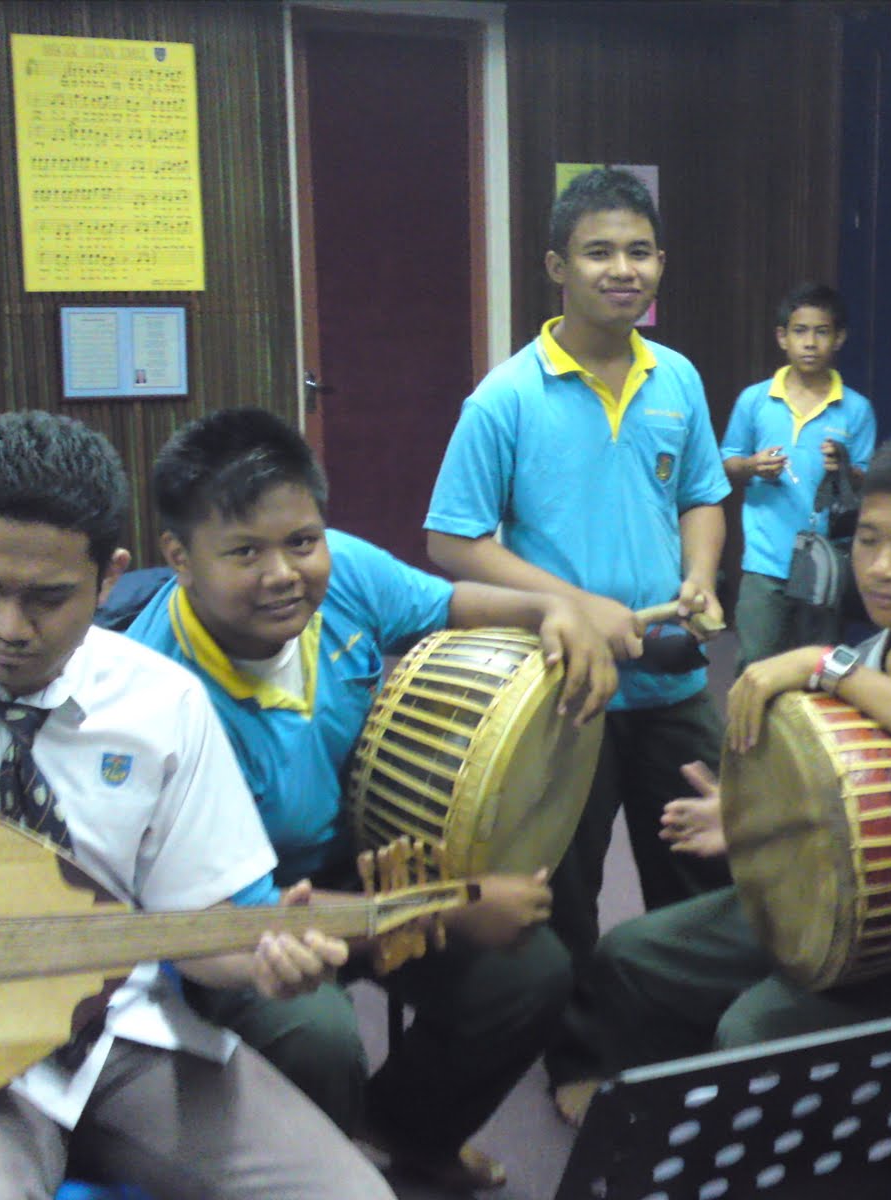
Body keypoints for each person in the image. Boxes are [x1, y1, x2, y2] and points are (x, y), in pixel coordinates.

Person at [0, 411, 392, 1200]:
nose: (9, 628)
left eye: (48, 598)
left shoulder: (161, 704)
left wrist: (262, 960)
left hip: (118, 1039)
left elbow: (199, 923)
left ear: (110, 576)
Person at [125, 407, 615, 1192]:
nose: (283, 573)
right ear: (179, 557)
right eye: (244, 551)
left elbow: (449, 605)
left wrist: (555, 610)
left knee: (532, 971)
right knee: (315, 1034)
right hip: (236, 916)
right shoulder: (155, 696)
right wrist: (450, 904)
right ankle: (309, 1175)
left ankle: (407, 1131)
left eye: (301, 541)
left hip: (357, 854)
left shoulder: (343, 575)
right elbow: (239, 918)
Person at [561, 430, 891, 1120]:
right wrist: (755, 823)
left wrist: (828, 667)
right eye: (867, 541)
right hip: (846, 904)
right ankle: (669, 1127)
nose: (880, 568)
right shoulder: (867, 659)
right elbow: (843, 807)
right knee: (633, 955)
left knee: (755, 1028)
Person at [423, 167, 732, 964]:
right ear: (558, 266)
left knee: (705, 876)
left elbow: (702, 495)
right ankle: (575, 1034)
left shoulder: (678, 378)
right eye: (599, 253)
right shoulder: (505, 398)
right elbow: (453, 541)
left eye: (640, 252)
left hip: (672, 682)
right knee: (559, 893)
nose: (623, 270)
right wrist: (575, 605)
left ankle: (683, 1026)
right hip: (563, 687)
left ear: (660, 263)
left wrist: (700, 573)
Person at [722, 283, 877, 667]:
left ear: (839, 338)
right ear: (782, 337)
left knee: (815, 667)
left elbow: (870, 483)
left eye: (821, 332)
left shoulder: (856, 408)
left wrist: (846, 469)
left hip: (826, 562)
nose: (810, 343)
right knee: (755, 663)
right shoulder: (755, 400)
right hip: (765, 559)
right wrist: (752, 466)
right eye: (800, 331)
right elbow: (727, 463)